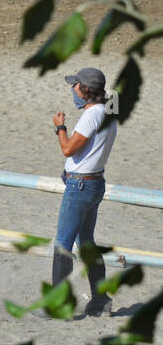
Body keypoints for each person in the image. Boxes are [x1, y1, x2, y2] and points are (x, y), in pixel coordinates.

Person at [51, 67, 118, 316]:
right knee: (87, 243)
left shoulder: (91, 115)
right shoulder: (108, 114)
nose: (72, 89)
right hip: (94, 183)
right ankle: (100, 300)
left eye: (75, 85)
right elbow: (87, 152)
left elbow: (68, 149)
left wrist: (60, 127)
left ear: (86, 90)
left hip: (80, 186)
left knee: (63, 243)